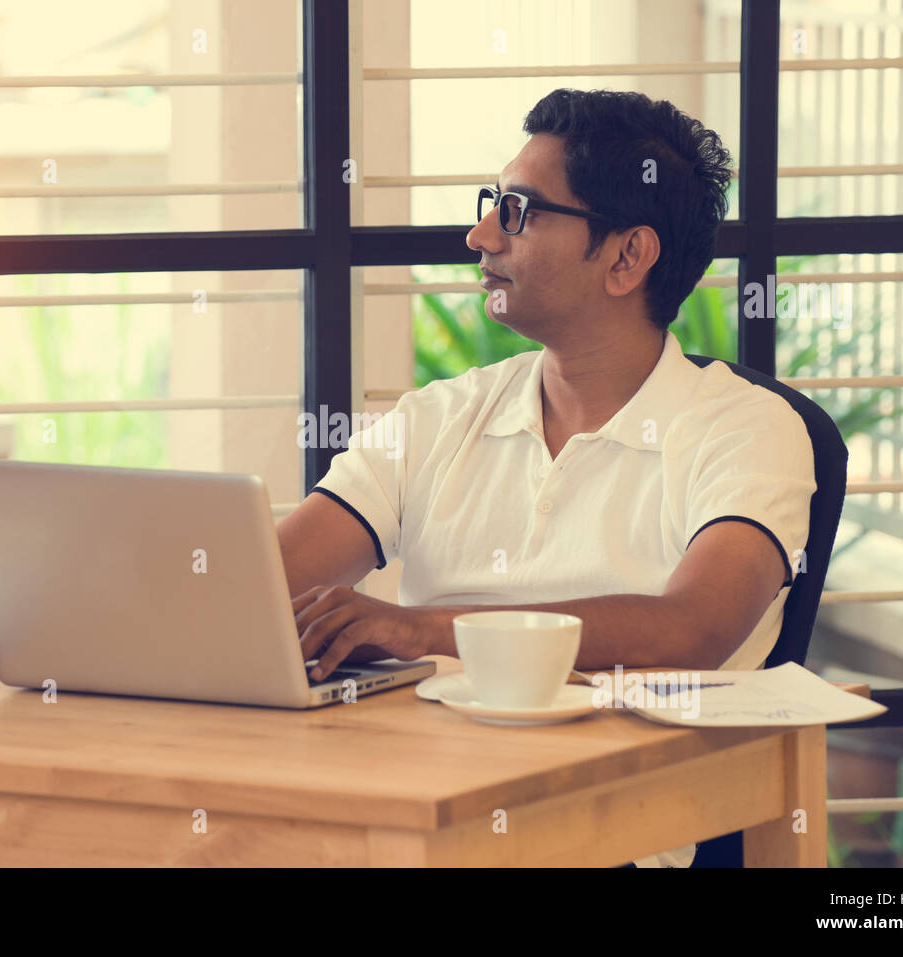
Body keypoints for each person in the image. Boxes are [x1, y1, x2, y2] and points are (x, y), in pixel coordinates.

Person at [276, 88, 815, 868]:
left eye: (519, 212)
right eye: (492, 203)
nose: (479, 233)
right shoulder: (437, 417)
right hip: (413, 804)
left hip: (608, 835)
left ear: (627, 256)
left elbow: (692, 628)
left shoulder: (747, 429)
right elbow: (261, 587)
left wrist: (425, 628)